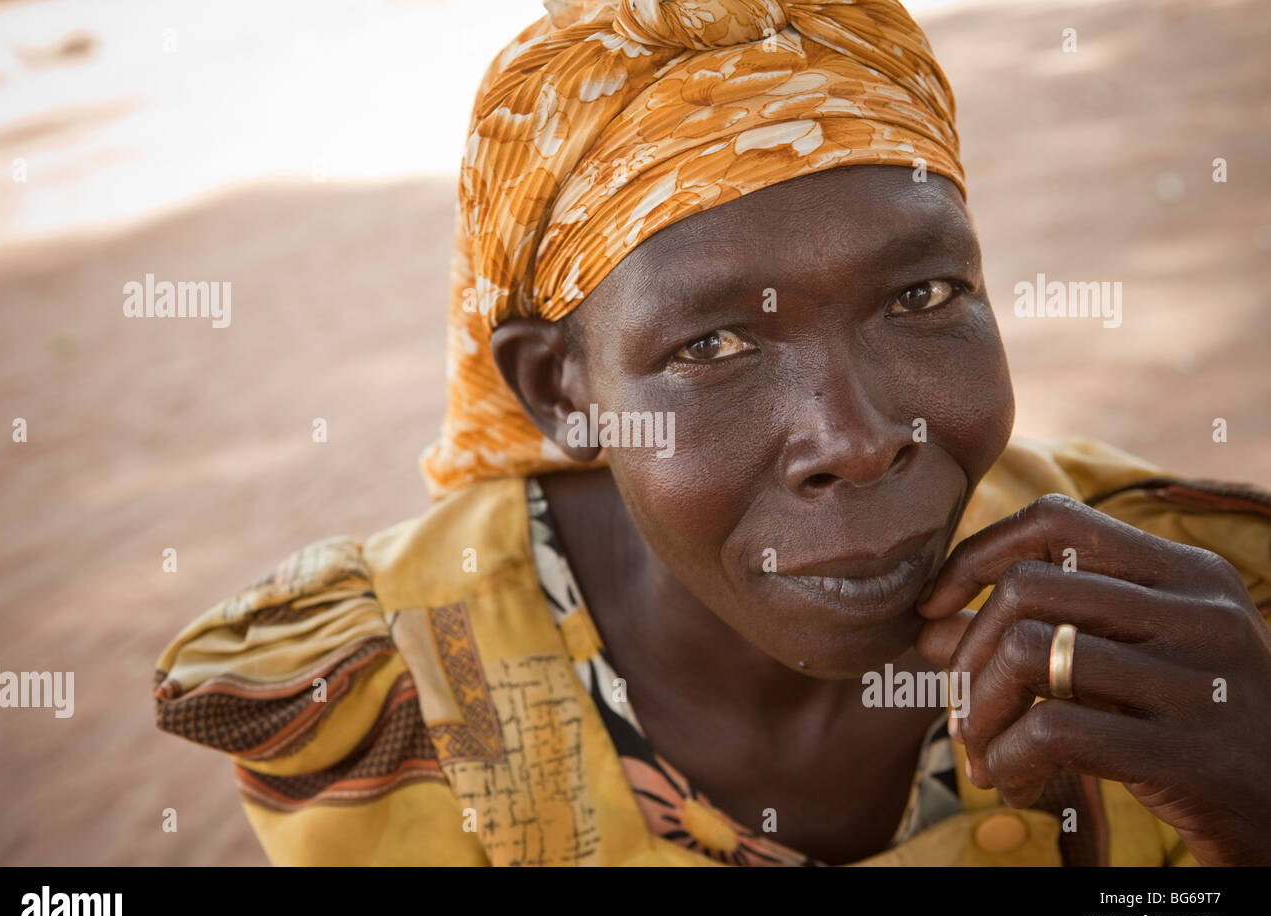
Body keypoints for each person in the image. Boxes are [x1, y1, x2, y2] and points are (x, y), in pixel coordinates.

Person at [152, 0, 1271, 866]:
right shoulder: (410, 706)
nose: (856, 436)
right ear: (561, 390)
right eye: (711, 347)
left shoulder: (1185, 627)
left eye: (922, 297)